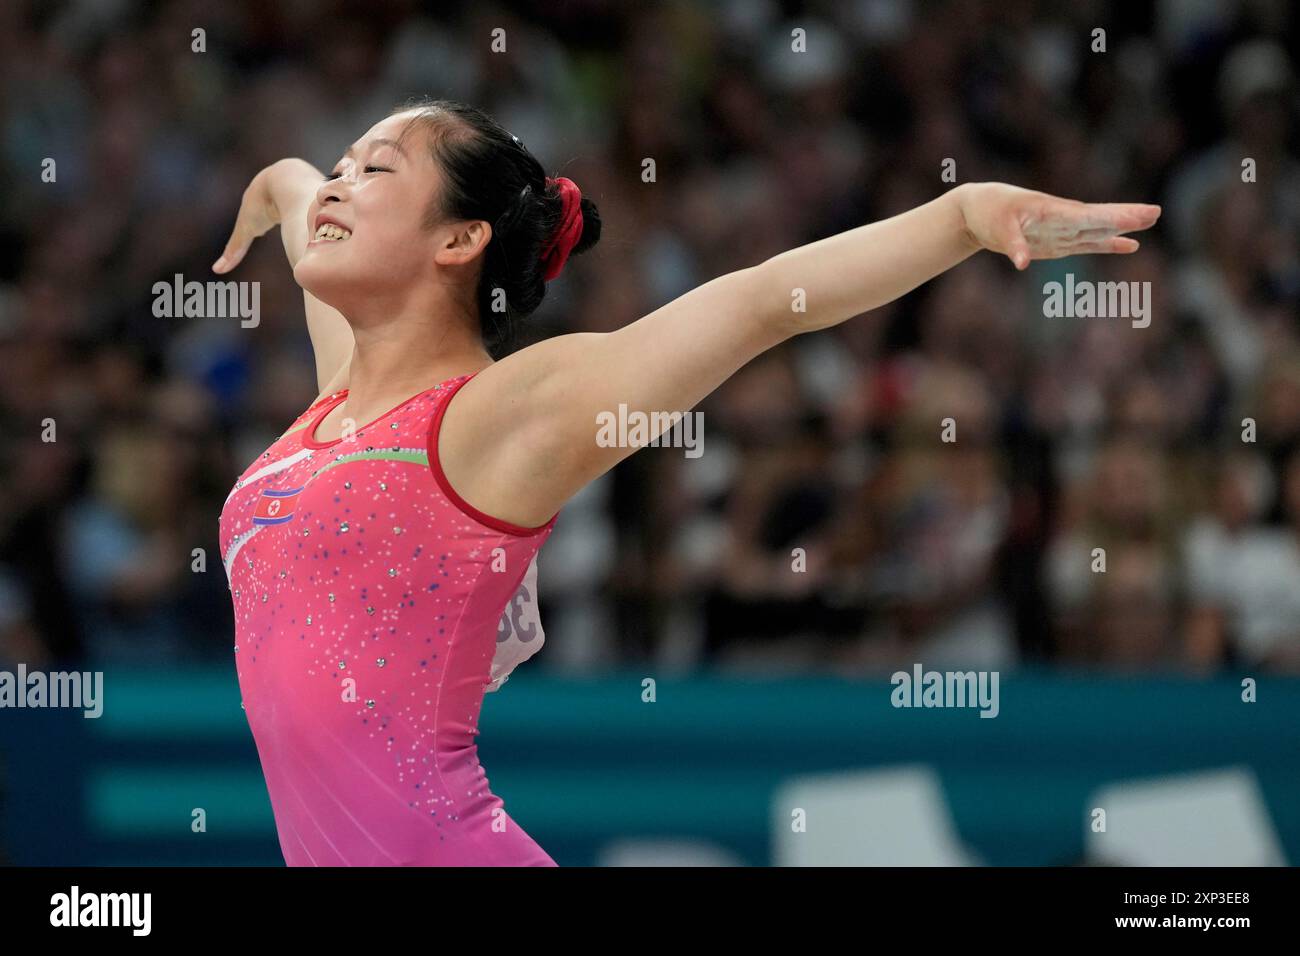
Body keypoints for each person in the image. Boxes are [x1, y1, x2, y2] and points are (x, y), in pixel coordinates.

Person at [213, 97, 1159, 866]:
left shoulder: (500, 418)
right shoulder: (339, 398)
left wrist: (960, 217)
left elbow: (758, 305)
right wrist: (280, 188)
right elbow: (299, 191)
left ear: (459, 241)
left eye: (374, 169)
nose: (339, 183)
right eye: (341, 164)